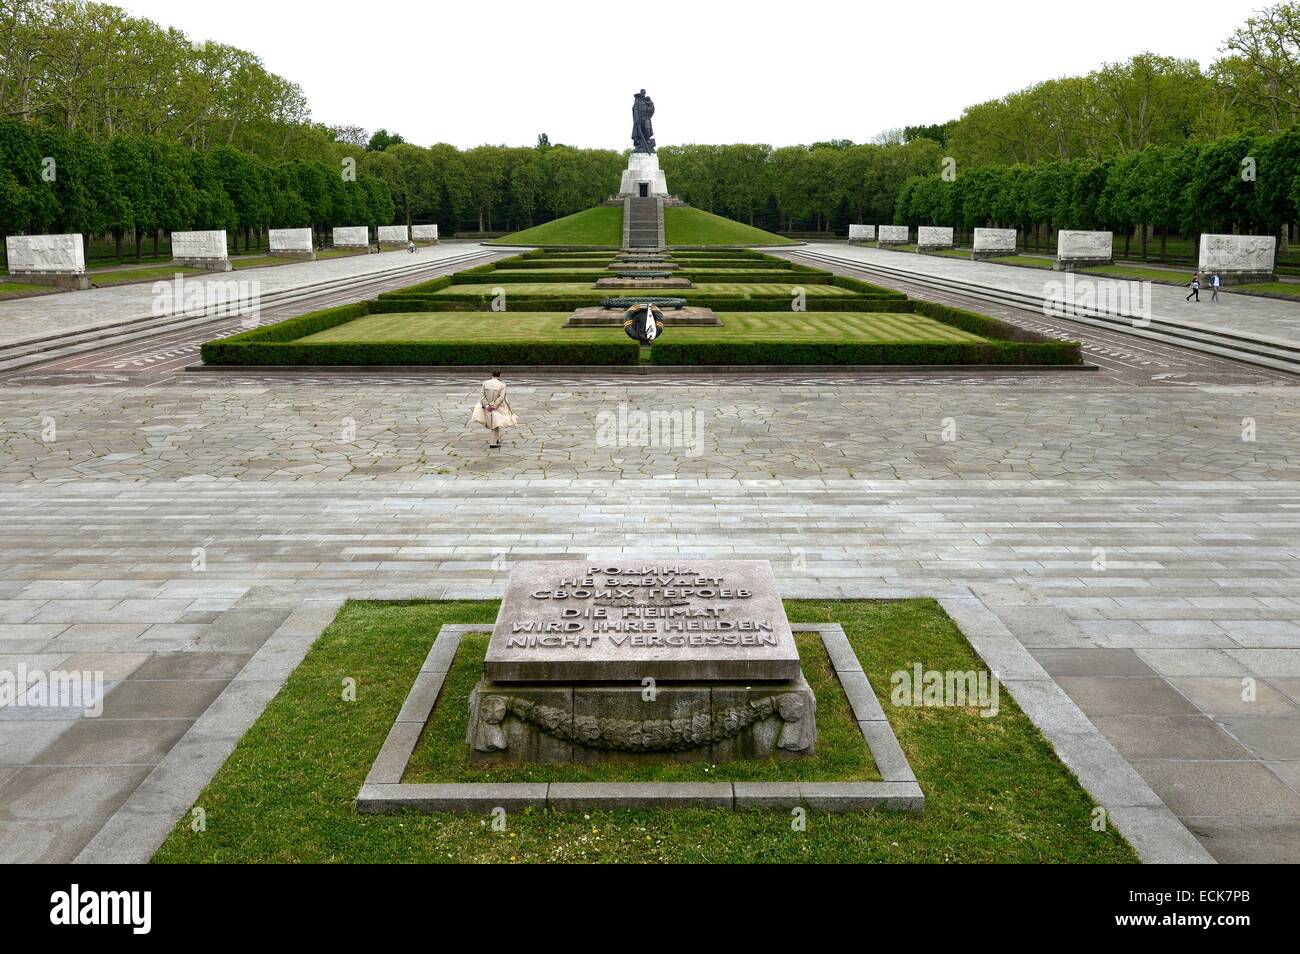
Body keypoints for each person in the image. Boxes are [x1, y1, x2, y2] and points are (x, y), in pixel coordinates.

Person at [470, 371, 518, 449]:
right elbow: (501, 398)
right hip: (497, 407)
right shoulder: (502, 384)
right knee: (495, 425)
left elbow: (482, 396)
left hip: (487, 406)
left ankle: (495, 440)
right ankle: (493, 443)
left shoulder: (485, 383)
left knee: (493, 423)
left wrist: (487, 405)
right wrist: (494, 406)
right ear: (499, 375)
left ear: (492, 375)